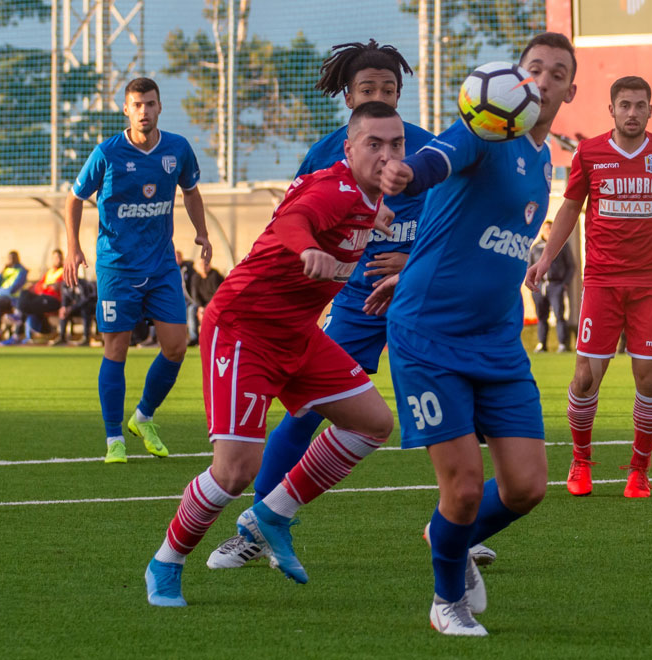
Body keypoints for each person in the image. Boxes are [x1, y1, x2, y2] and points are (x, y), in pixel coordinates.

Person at [205, 39, 503, 571]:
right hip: (354, 300)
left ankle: (459, 526)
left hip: (425, 297)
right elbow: (289, 224)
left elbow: (457, 221)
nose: (380, 96)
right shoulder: (327, 153)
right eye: (368, 89)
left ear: (401, 93)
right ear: (348, 97)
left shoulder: (430, 150)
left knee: (455, 407)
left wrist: (411, 260)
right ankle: (258, 525)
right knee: (304, 411)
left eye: (389, 89)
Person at [144, 101, 402, 608]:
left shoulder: (374, 199)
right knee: (235, 472)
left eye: (395, 145)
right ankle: (166, 561)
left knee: (373, 423)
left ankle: (272, 515)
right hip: (244, 328)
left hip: (296, 333)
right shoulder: (336, 189)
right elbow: (295, 220)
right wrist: (306, 246)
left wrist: (381, 225)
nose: (387, 155)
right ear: (349, 149)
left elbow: (359, 215)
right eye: (374, 144)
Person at [370, 32, 578, 637]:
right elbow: (437, 161)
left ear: (570, 89)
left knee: (527, 487)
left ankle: (447, 537)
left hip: (498, 342)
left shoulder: (542, 161)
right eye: (533, 68)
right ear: (514, 78)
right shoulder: (487, 131)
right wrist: (407, 173)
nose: (542, 79)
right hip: (429, 338)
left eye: (556, 73)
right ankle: (446, 602)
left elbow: (474, 233)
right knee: (461, 489)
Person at [526, 74, 652, 502]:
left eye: (640, 105)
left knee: (648, 376)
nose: (632, 113)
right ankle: (581, 460)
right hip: (602, 281)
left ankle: (639, 471)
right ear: (611, 110)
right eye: (624, 105)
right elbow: (570, 207)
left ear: (649, 110)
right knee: (586, 377)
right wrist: (547, 256)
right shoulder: (589, 153)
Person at [64, 77, 212, 463]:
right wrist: (73, 248)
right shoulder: (107, 153)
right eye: (136, 104)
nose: (144, 111)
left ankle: (143, 417)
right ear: (125, 110)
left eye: (150, 103)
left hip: (162, 264)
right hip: (117, 267)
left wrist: (203, 234)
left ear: (160, 106)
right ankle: (114, 438)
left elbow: (192, 192)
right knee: (117, 348)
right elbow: (74, 199)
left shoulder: (177, 149)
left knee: (177, 346)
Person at [528, 220, 575, 353]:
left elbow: (571, 266)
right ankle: (542, 344)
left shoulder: (562, 246)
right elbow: (530, 266)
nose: (548, 231)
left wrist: (564, 283)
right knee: (542, 316)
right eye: (546, 228)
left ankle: (562, 344)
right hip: (539, 286)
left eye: (550, 228)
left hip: (556, 285)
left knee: (559, 315)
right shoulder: (536, 247)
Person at [1, 249, 64, 345]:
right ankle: (25, 329)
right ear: (52, 259)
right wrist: (44, 287)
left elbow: (62, 285)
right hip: (41, 297)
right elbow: (38, 285)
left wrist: (50, 286)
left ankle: (18, 332)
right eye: (55, 257)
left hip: (53, 300)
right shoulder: (50, 272)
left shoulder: (65, 271)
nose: (58, 260)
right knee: (24, 292)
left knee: (26, 307)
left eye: (59, 257)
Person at [0, 251, 28, 341]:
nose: (11, 260)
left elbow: (12, 289)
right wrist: (1, 273)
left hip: (12, 299)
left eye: (13, 258)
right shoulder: (5, 270)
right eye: (10, 258)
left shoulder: (21, 271)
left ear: (18, 258)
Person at [186, 257, 222, 346]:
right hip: (201, 304)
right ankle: (194, 338)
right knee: (191, 309)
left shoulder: (215, 275)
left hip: (215, 303)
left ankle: (214, 337)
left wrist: (207, 307)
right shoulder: (195, 277)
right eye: (201, 264)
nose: (203, 267)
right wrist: (200, 307)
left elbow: (217, 293)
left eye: (205, 264)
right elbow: (195, 294)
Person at [54, 274, 97, 346]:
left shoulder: (82, 283)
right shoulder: (64, 285)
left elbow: (85, 299)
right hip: (75, 308)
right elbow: (65, 299)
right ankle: (62, 337)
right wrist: (64, 307)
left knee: (85, 311)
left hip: (87, 306)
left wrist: (71, 308)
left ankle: (86, 338)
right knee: (64, 312)